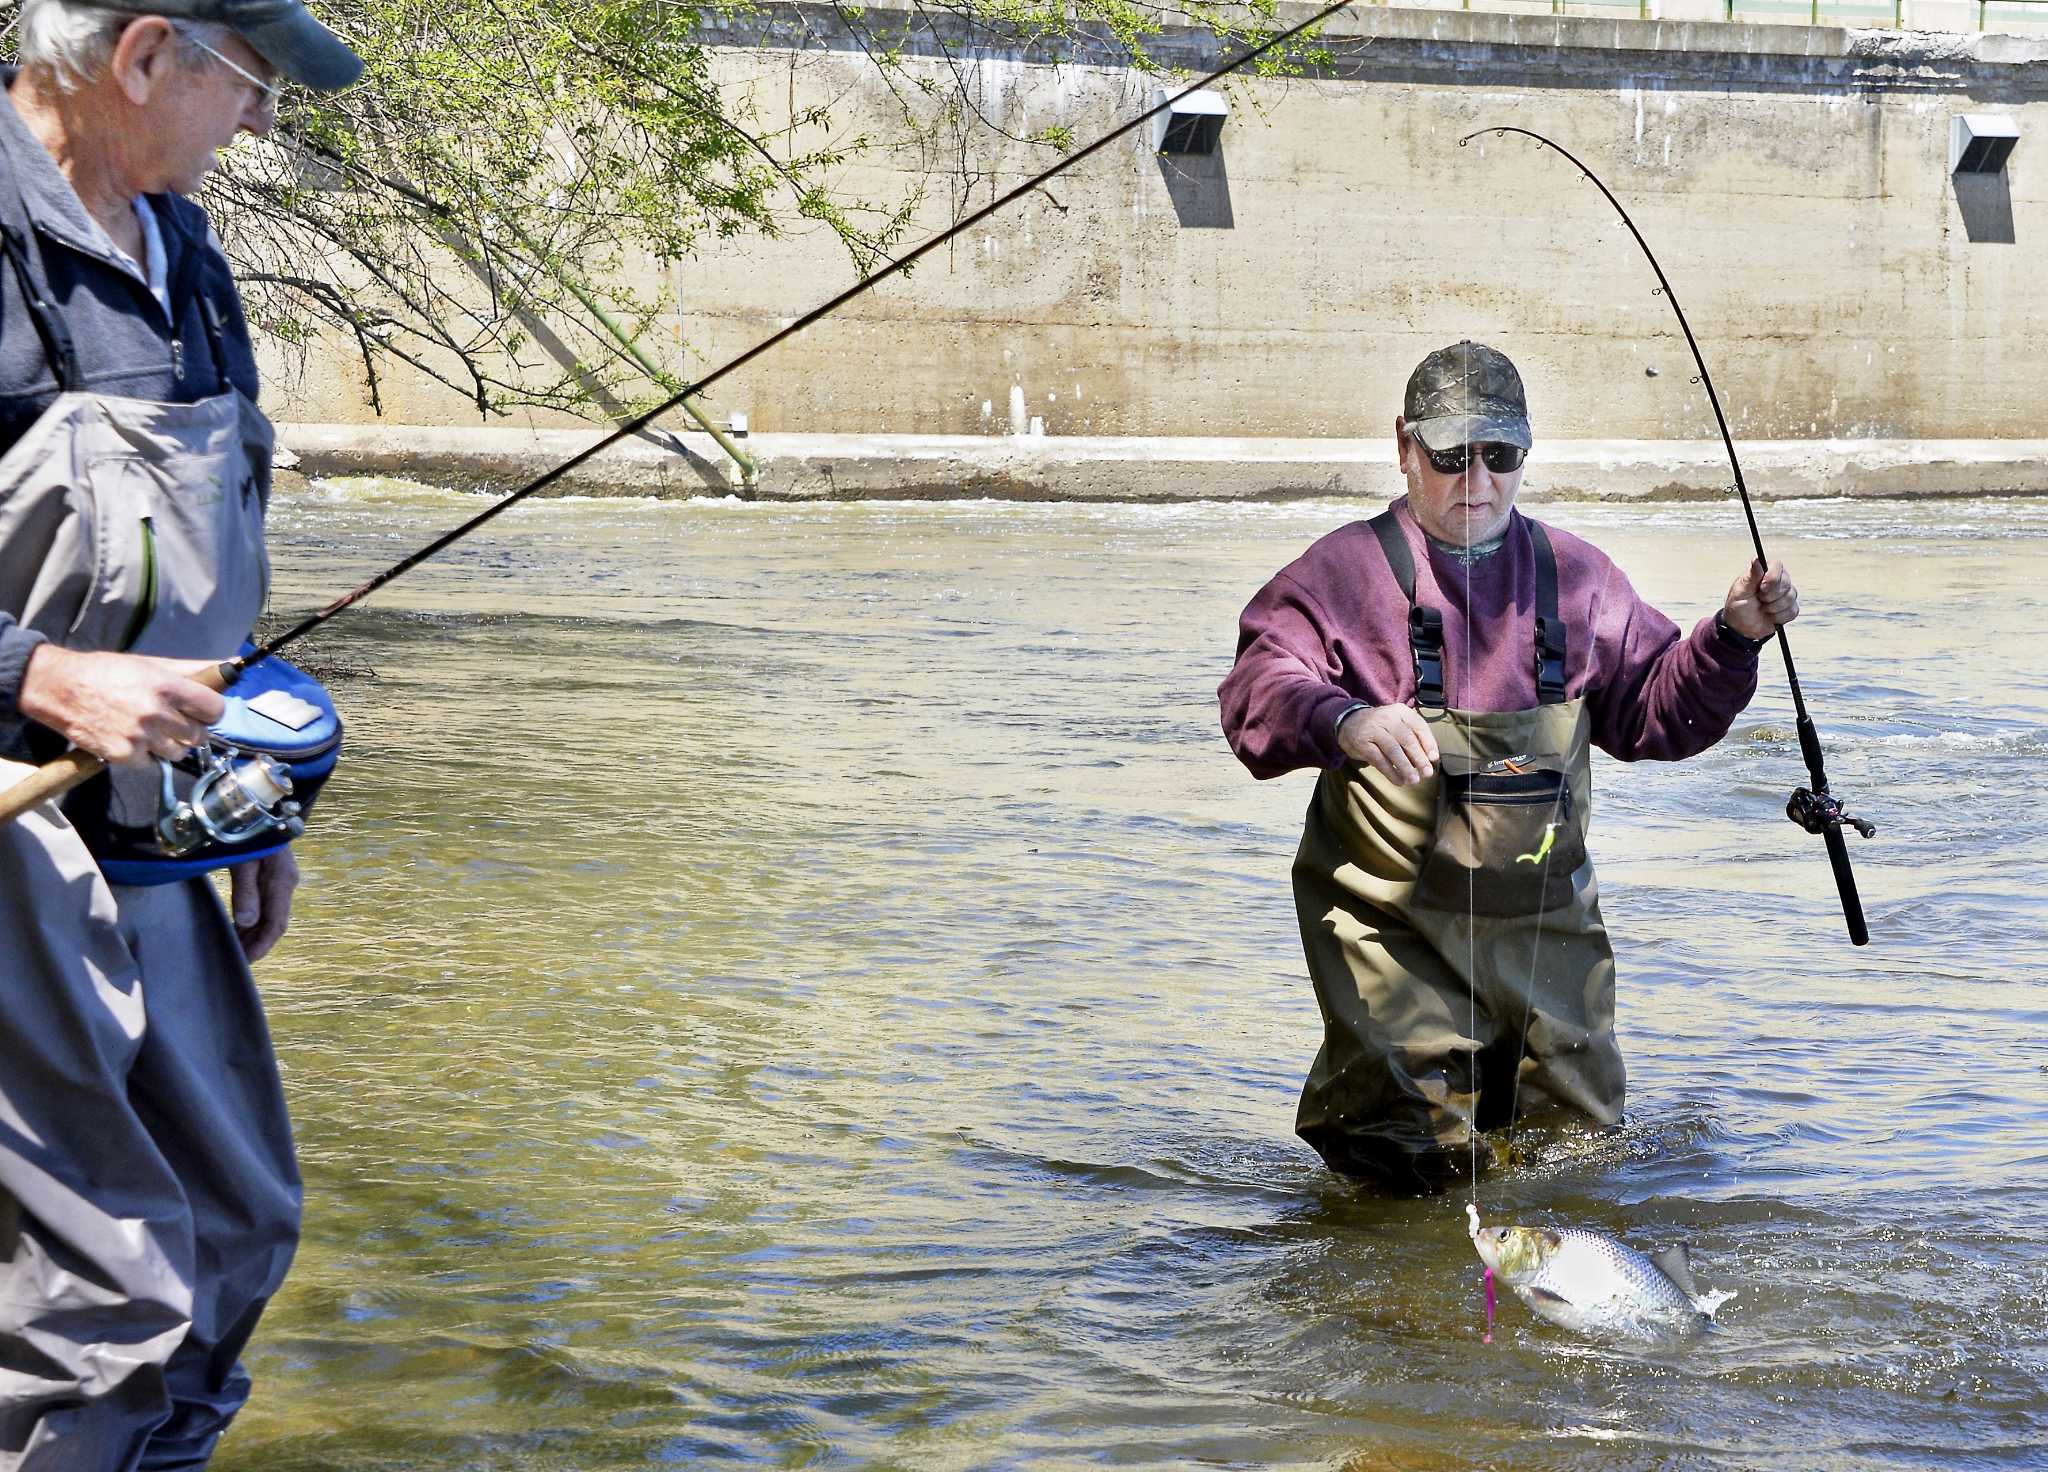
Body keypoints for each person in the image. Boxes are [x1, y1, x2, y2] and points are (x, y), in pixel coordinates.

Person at [0, 2, 360, 1465]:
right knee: (98, 1296)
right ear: (143, 56)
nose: (264, 124)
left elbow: (214, 557)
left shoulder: (186, 250)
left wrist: (257, 798)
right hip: (19, 827)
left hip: (165, 825)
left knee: (233, 1233)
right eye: (253, 84)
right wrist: (44, 676)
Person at [1218, 341, 1799, 1194]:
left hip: (1550, 946)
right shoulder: (1337, 576)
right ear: (1403, 449)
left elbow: (1659, 716)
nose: (1477, 480)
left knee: (1575, 1170)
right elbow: (1255, 694)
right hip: (1396, 941)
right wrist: (1342, 720)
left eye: (1501, 456)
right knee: (1402, 1176)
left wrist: (1735, 635)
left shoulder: (1581, 578)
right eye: (1452, 456)